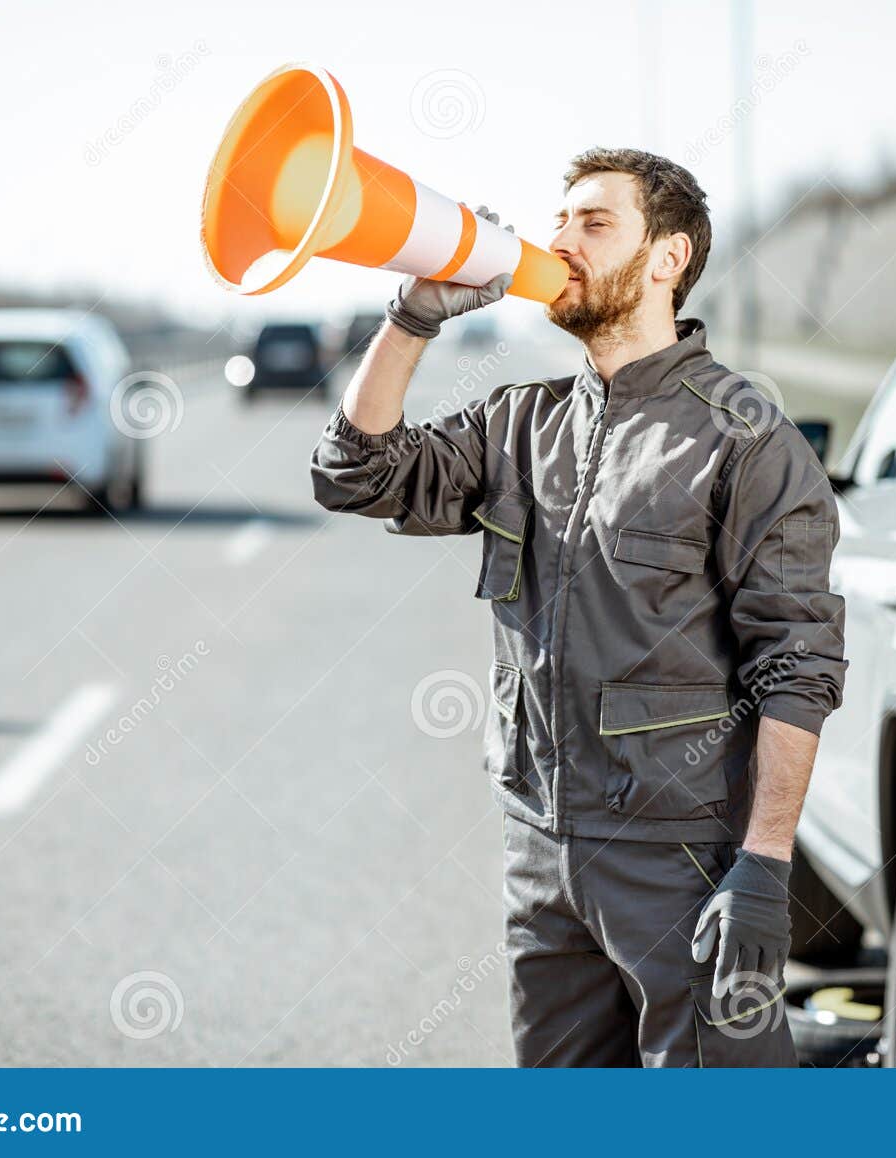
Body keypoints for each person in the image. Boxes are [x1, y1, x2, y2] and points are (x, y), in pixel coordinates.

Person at [310, 148, 846, 1067]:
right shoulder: (520, 423)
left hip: (682, 858)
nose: (561, 242)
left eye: (594, 223)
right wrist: (410, 316)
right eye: (558, 222)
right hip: (542, 847)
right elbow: (354, 473)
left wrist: (762, 866)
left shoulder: (747, 441)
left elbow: (798, 668)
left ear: (668, 258)